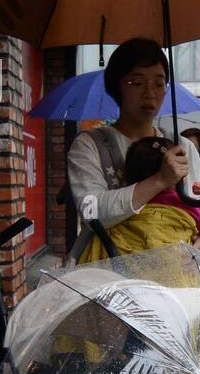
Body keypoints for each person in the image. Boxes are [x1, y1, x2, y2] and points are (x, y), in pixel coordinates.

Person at [66, 37, 191, 261]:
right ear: (117, 87)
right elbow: (91, 211)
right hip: (107, 277)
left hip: (174, 276)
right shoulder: (90, 145)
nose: (149, 93)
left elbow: (197, 211)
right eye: (136, 83)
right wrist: (159, 181)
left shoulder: (182, 147)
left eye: (159, 83)